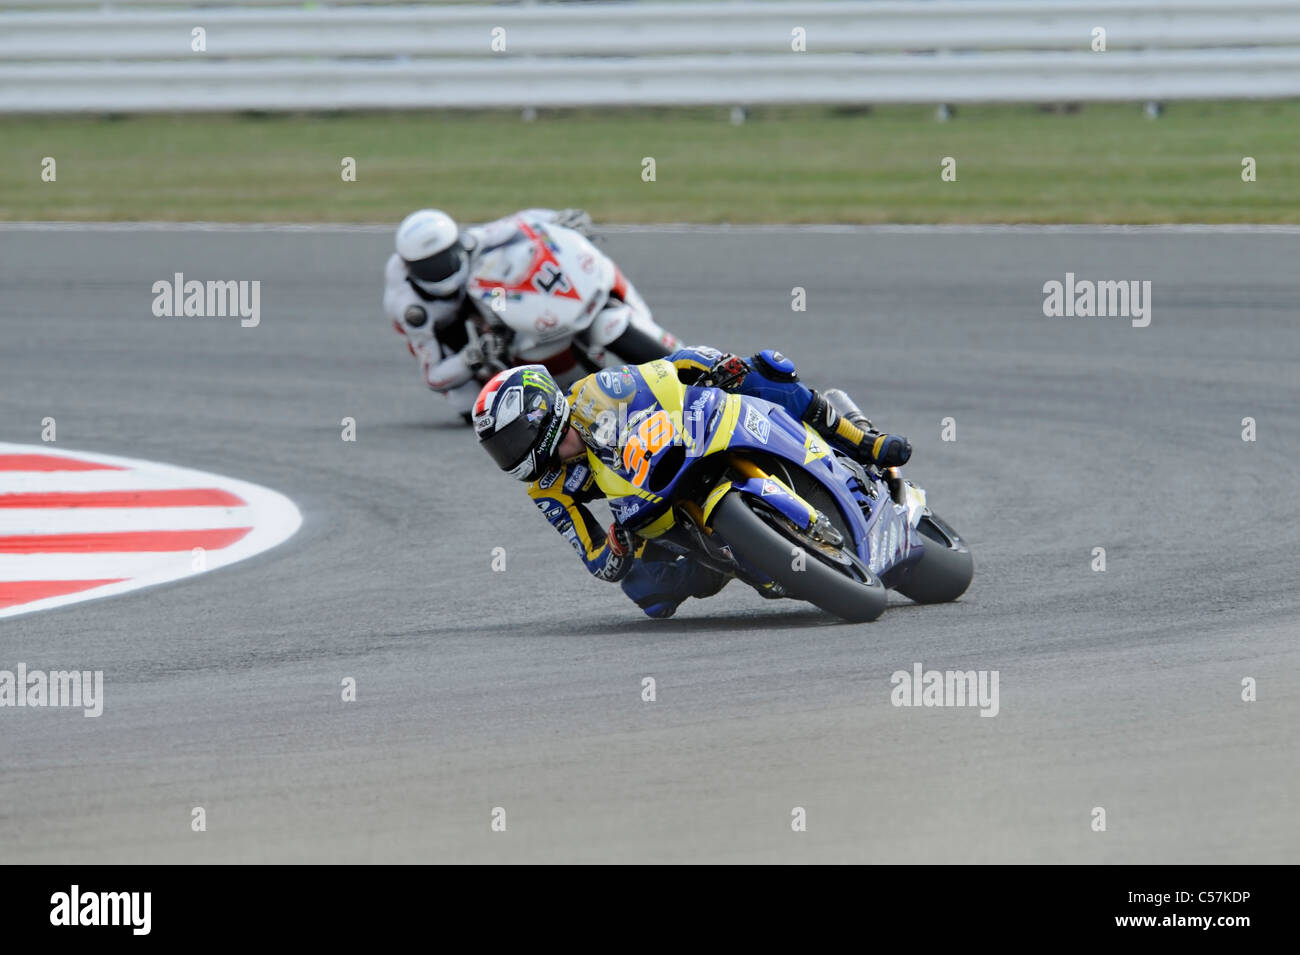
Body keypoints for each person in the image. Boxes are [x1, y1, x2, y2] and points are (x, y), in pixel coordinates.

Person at [472, 346, 912, 618]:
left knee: (767, 370)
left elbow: (663, 369)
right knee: (649, 595)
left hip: (680, 443)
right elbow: (595, 559)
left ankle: (863, 441)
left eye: (510, 441)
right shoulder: (546, 489)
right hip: (645, 510)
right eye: (499, 449)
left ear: (538, 414)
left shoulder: (594, 390)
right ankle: (735, 559)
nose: (509, 456)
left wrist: (715, 365)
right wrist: (618, 550)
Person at [382, 206, 599, 421]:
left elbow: (517, 223)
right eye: (427, 267)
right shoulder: (412, 311)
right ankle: (502, 375)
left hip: (474, 292)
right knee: (473, 407)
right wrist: (474, 356)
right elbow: (433, 376)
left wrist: (557, 219)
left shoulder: (471, 242)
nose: (440, 270)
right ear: (409, 267)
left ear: (456, 245)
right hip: (442, 325)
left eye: (446, 258)